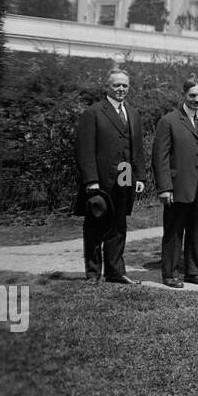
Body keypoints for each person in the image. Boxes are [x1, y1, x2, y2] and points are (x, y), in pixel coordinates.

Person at [75, 68, 146, 285]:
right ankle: (93, 273)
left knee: (118, 225)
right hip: (101, 179)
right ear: (108, 86)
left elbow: (138, 148)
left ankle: (116, 271)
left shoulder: (133, 113)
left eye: (125, 85)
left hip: (124, 178)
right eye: (117, 85)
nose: (121, 89)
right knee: (96, 224)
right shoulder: (94, 112)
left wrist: (140, 176)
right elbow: (84, 149)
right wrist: (91, 180)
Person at [152, 79, 198, 288]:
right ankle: (170, 274)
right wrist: (165, 187)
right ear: (184, 95)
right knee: (174, 231)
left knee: (197, 230)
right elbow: (160, 157)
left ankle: (193, 271)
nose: (197, 100)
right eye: (193, 96)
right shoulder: (169, 120)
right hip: (178, 184)